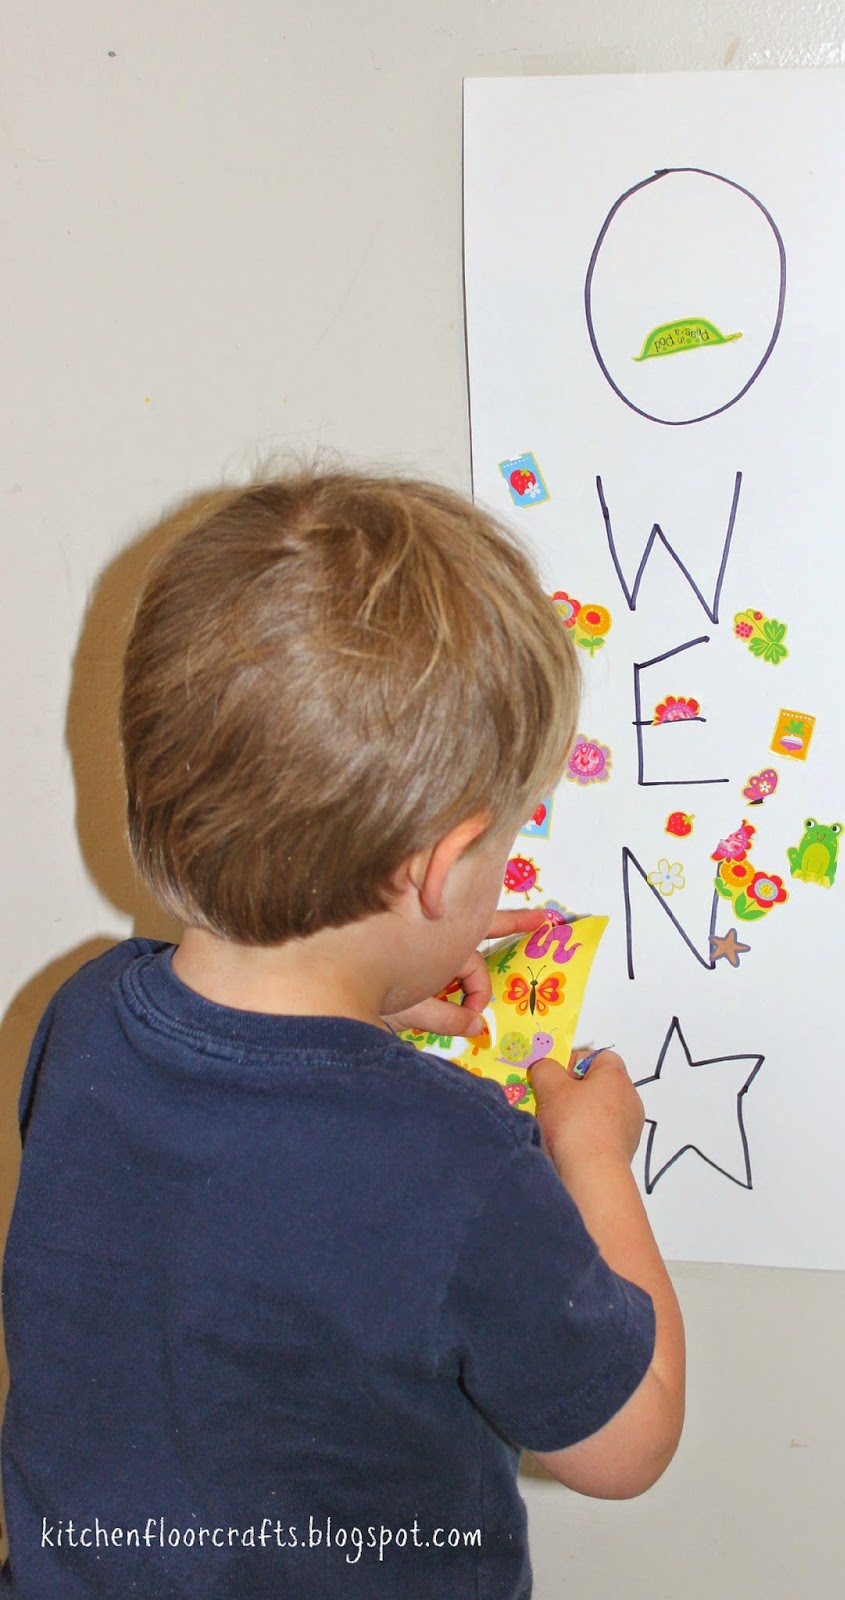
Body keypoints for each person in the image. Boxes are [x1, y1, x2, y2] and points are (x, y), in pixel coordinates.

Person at [0, 471, 685, 1598]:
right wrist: (592, 1154)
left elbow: (226, 1206)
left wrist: (363, 999)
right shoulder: (458, 1160)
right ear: (434, 869)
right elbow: (627, 1441)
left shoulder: (84, 1023)